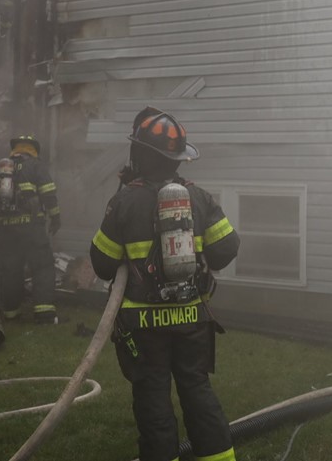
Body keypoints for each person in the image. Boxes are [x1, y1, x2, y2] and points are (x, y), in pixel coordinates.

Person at [90, 107, 241, 461]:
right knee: (197, 390)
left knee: (153, 401)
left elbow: (102, 264)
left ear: (140, 153)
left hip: (144, 326)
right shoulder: (198, 198)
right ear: (177, 159)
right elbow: (226, 249)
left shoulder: (124, 201)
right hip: (192, 319)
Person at [0, 134, 62, 325]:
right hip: (32, 228)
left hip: (6, 230)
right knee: (42, 267)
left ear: (15, 150)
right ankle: (44, 314)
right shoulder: (36, 167)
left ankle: (11, 313)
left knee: (10, 270)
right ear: (33, 150)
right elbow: (49, 194)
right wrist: (55, 217)